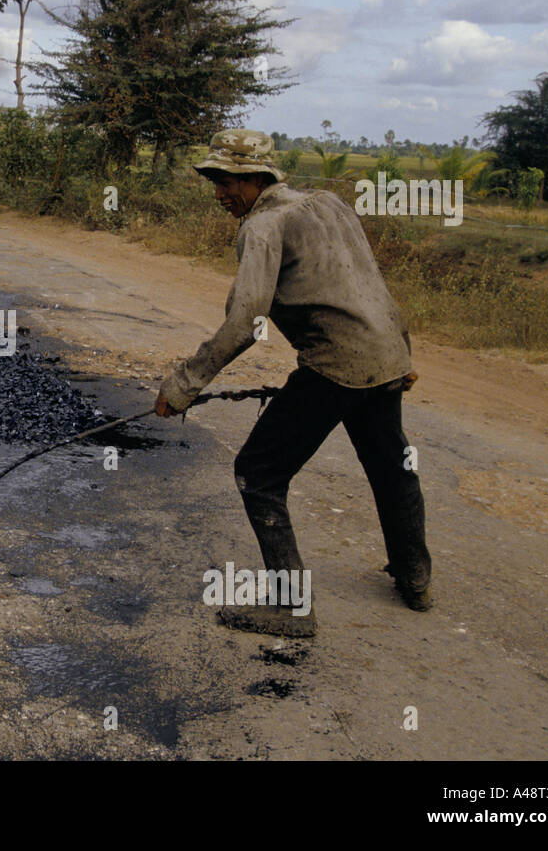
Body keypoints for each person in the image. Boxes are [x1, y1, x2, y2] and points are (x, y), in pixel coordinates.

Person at [153, 129, 430, 637]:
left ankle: (292, 608)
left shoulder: (263, 226)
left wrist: (184, 383)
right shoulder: (329, 203)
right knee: (392, 467)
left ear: (258, 177)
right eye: (215, 181)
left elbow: (245, 323)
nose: (219, 193)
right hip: (382, 355)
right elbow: (370, 283)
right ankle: (415, 578)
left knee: (258, 471)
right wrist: (401, 353)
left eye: (228, 182)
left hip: (336, 364)